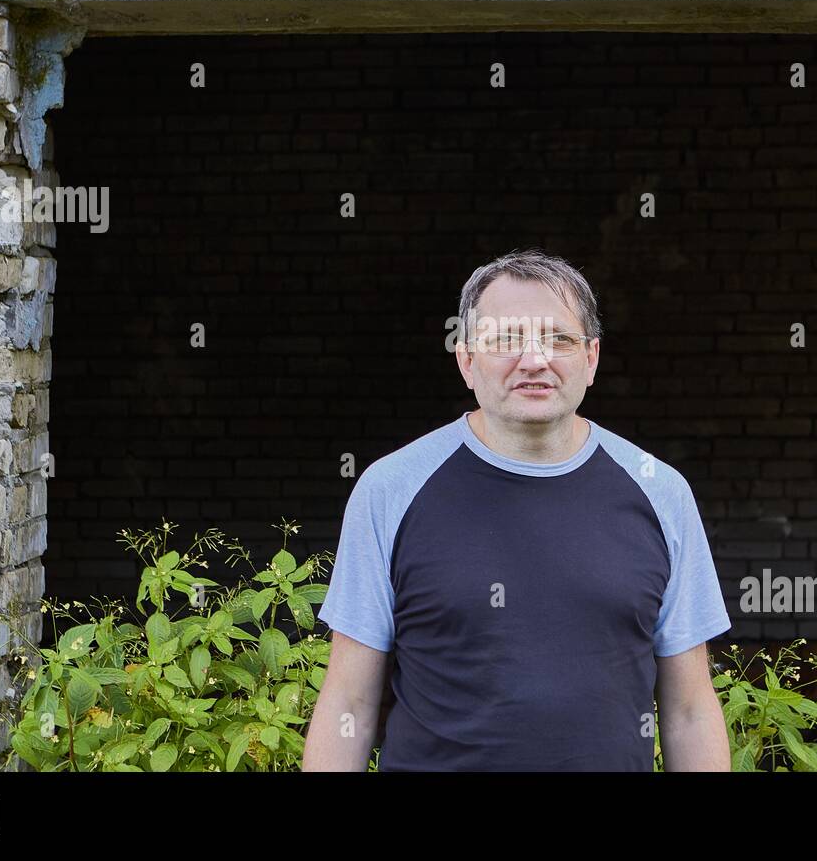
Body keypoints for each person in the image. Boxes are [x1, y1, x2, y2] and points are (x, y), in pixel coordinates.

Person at [302, 248, 732, 771]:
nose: (534, 360)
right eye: (506, 339)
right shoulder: (391, 488)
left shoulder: (661, 493)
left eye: (559, 339)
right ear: (466, 360)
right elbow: (349, 701)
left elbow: (689, 710)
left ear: (591, 359)